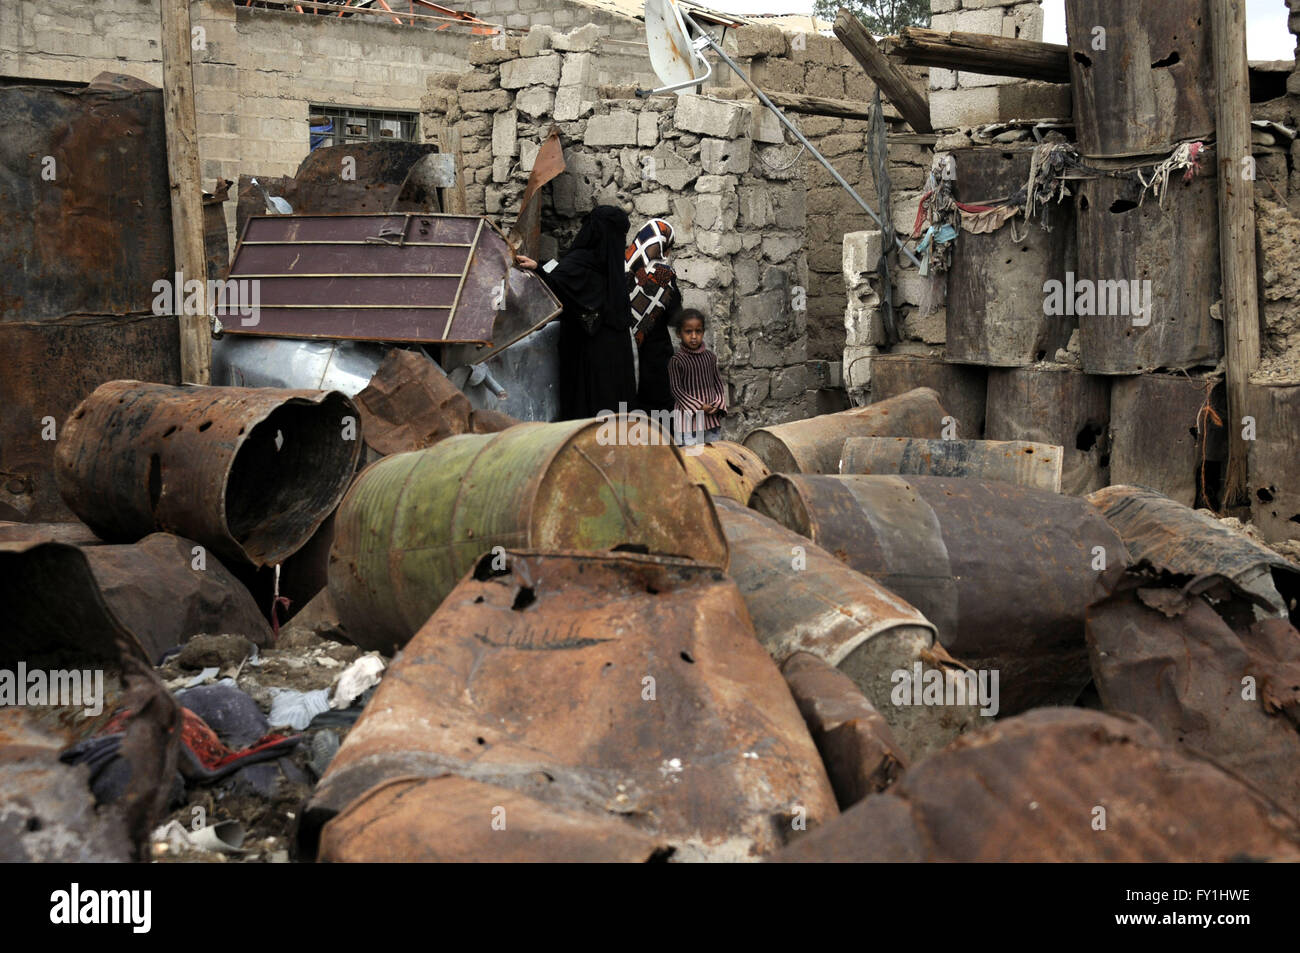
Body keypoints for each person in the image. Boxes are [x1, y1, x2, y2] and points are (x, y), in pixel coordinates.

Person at [516, 205, 636, 420]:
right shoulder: (606, 263)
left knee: (591, 408)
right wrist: (540, 268)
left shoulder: (584, 261)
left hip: (591, 353)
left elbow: (561, 284)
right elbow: (566, 283)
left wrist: (540, 271)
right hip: (608, 349)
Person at [624, 218, 680, 419]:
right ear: (664, 246)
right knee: (659, 413)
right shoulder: (664, 274)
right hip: (655, 353)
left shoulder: (620, 266)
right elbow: (675, 315)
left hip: (625, 351)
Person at [667, 309, 727, 446]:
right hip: (688, 422)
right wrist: (699, 406)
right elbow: (676, 390)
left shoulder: (710, 357)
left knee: (713, 456)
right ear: (679, 334)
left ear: (703, 332)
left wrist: (717, 404)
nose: (694, 336)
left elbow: (718, 383)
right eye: (688, 332)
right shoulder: (677, 360)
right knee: (691, 460)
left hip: (710, 419)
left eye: (698, 331)